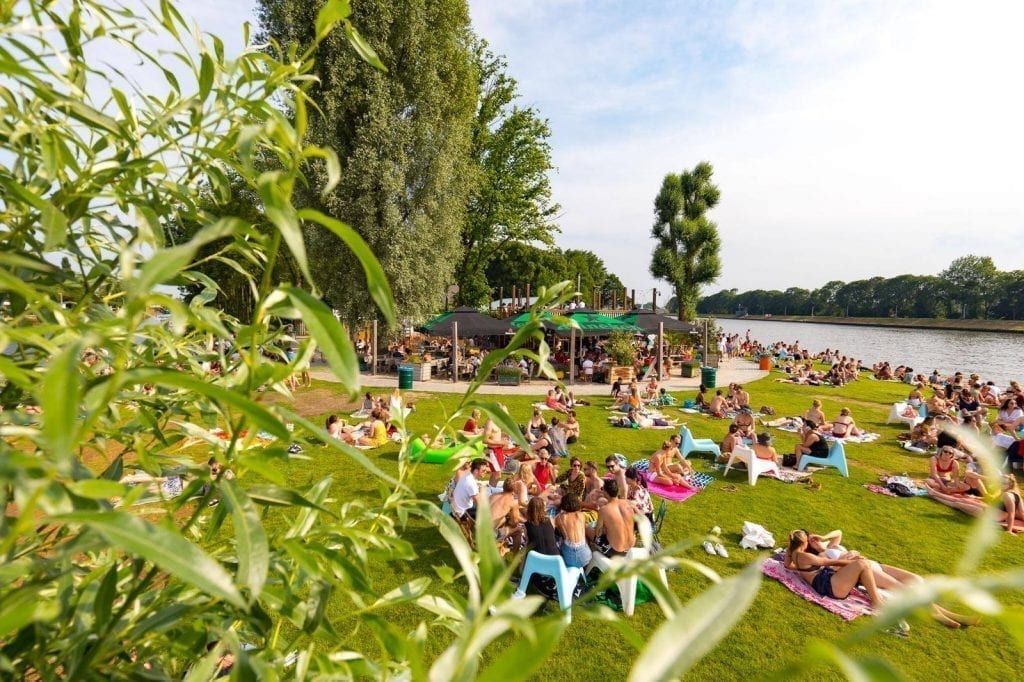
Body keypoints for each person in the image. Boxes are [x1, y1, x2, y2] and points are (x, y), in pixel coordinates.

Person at [804, 530, 976, 628]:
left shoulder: (831, 545)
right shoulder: (822, 555)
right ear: (809, 547)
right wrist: (850, 556)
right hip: (867, 569)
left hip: (876, 564)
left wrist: (823, 537)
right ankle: (941, 616)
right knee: (903, 588)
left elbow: (838, 532)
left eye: (812, 536)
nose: (813, 539)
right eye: (810, 541)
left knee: (916, 580)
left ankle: (948, 614)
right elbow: (835, 569)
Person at [784, 530, 884, 607]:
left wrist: (802, 569)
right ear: (803, 543)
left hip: (825, 582)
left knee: (860, 568)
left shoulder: (791, 552)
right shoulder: (805, 557)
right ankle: (877, 602)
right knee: (863, 564)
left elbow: (787, 565)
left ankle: (875, 597)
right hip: (829, 587)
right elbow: (832, 562)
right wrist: (854, 562)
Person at [589, 479, 636, 557]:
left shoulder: (604, 510)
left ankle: (586, 561)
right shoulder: (628, 504)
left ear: (606, 492)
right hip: (630, 548)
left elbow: (597, 533)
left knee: (587, 529)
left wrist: (605, 529)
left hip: (615, 551)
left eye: (602, 489)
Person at [554, 493, 593, 568]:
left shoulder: (560, 518)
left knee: (559, 540)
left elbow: (553, 526)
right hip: (586, 557)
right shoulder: (581, 515)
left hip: (569, 559)